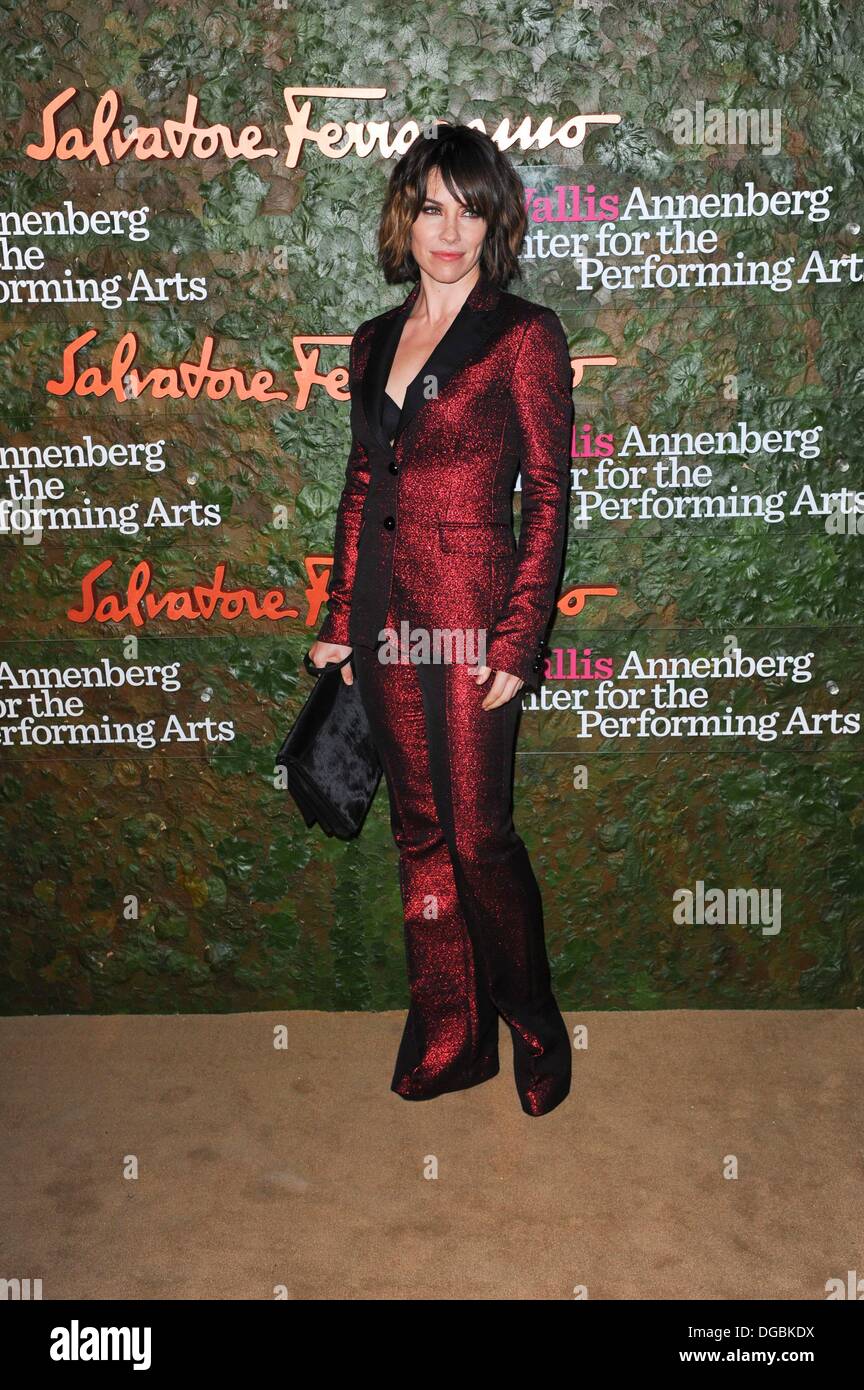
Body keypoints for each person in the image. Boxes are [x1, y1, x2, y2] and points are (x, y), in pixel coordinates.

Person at [308, 122, 574, 1117]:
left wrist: (519, 637)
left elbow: (549, 496)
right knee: (419, 833)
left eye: (468, 209)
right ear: (406, 218)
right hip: (381, 617)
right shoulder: (373, 340)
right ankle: (451, 1026)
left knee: (478, 835)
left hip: (470, 620)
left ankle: (535, 1020)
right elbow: (359, 484)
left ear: (492, 221)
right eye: (431, 207)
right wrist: (340, 615)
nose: (448, 230)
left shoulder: (522, 335)